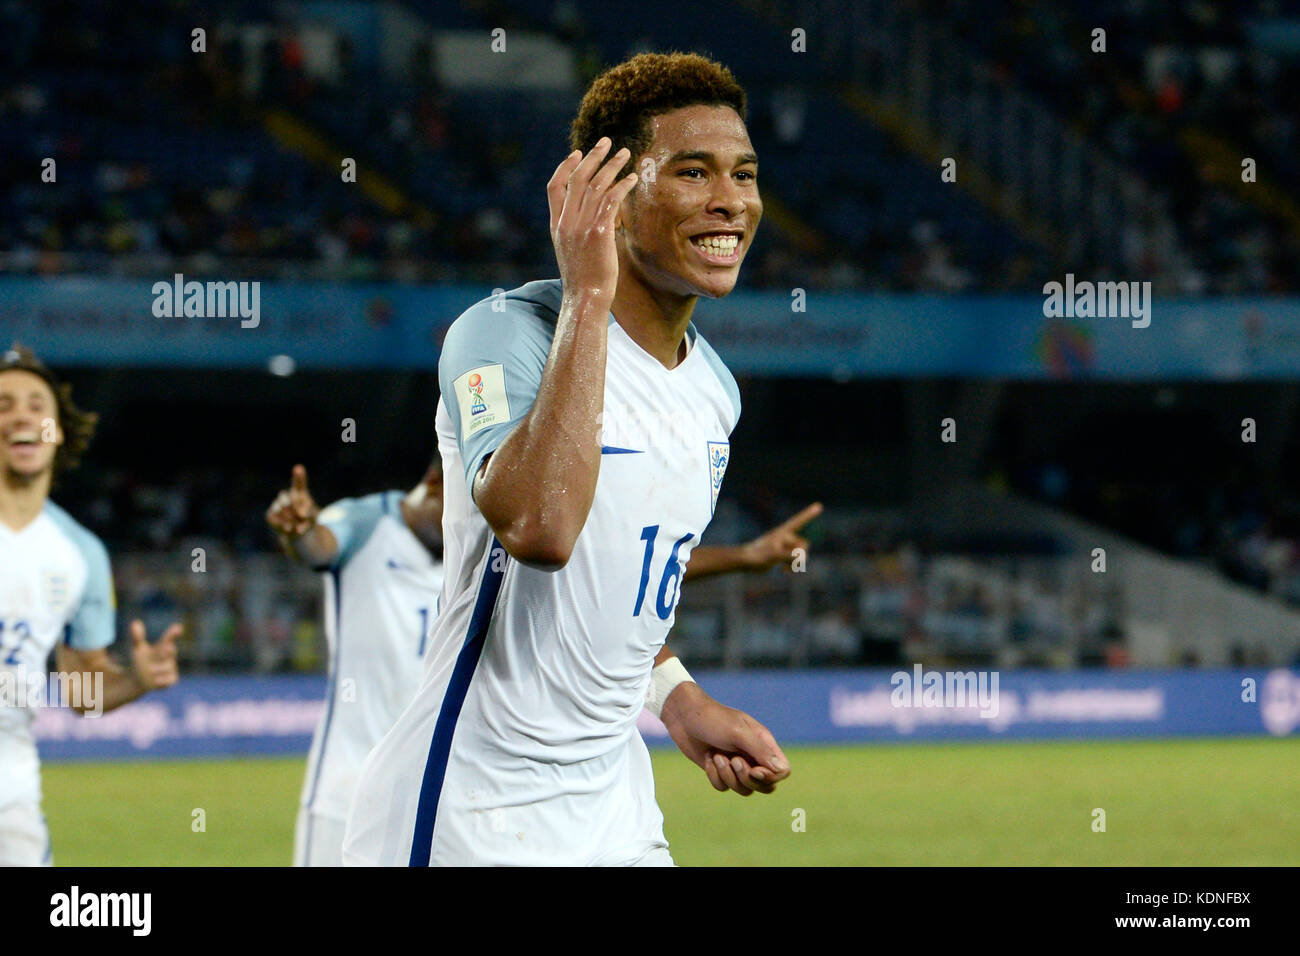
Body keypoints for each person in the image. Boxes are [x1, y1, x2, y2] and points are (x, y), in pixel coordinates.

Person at [344, 52, 797, 866]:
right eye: (693, 173)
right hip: (466, 811)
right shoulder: (501, 333)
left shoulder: (715, 391)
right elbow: (540, 527)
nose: (730, 200)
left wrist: (675, 696)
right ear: (608, 194)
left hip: (614, 809)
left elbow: (617, 586)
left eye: (744, 174)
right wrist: (589, 290)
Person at [0, 344, 180, 866]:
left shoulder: (80, 553)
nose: (22, 416)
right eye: (5, 404)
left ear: (58, 430)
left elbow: (82, 690)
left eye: (37, 405)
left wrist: (136, 681)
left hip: (11, 792)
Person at [265, 461, 446, 867]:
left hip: (432, 798)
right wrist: (302, 532)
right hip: (345, 790)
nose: (466, 521)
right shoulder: (366, 522)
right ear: (433, 481)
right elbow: (319, 545)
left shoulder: (470, 545)